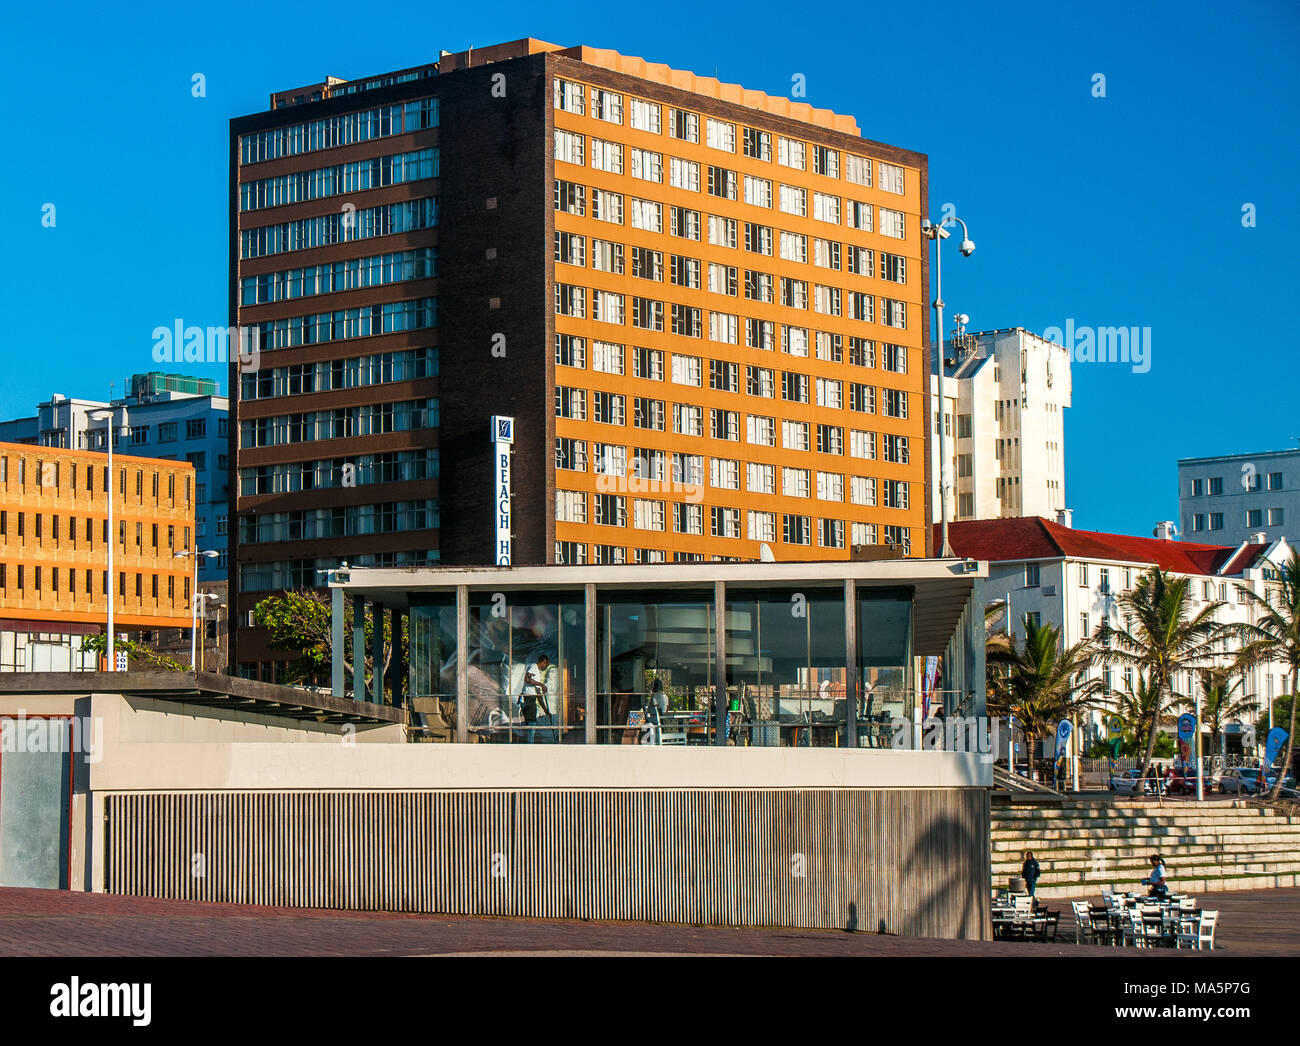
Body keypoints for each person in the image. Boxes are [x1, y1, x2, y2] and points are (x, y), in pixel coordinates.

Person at [518, 653, 556, 744]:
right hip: (528, 699)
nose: (546, 667)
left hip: (531, 699)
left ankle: (529, 744)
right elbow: (526, 679)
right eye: (546, 665)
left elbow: (539, 697)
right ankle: (529, 746)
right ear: (543, 662)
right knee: (531, 725)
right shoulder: (533, 666)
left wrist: (546, 711)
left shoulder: (537, 674)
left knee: (530, 726)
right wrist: (541, 684)